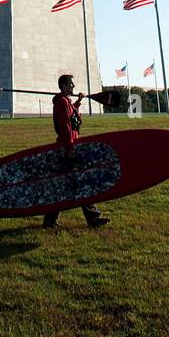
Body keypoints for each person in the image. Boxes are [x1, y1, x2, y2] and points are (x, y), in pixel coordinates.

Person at [43, 73, 110, 229]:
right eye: (71, 84)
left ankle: (50, 221)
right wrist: (70, 148)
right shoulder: (62, 103)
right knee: (81, 182)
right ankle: (93, 218)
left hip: (67, 147)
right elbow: (66, 126)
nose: (73, 86)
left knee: (64, 185)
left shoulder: (65, 102)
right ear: (64, 86)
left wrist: (78, 102)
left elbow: (72, 115)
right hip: (67, 149)